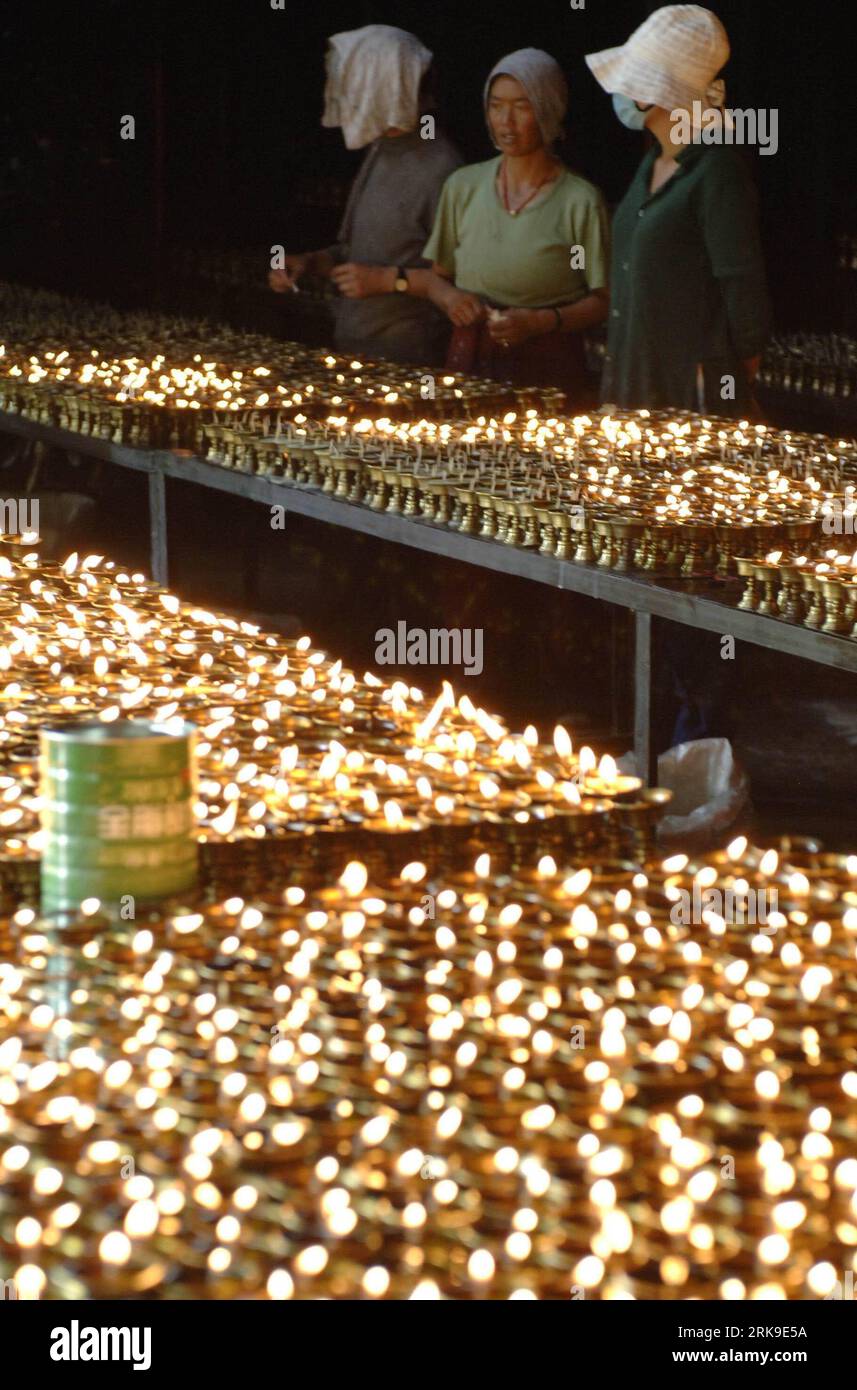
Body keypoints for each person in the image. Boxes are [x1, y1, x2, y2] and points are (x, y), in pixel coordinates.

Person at [585, 4, 772, 417]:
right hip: (632, 380)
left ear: (658, 91)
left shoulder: (716, 169)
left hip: (687, 390)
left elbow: (741, 282)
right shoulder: (651, 166)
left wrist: (727, 376)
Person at [411, 48, 609, 408]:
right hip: (471, 356)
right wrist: (452, 299)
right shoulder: (463, 187)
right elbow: (436, 278)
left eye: (522, 106)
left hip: (549, 363)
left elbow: (601, 301)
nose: (506, 122)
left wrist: (540, 321)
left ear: (548, 110)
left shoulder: (579, 201)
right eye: (497, 106)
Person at [269, 24, 461, 366]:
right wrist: (311, 263)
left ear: (386, 88)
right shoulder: (382, 150)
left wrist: (387, 282)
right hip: (358, 347)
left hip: (410, 360)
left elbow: (457, 285)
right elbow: (354, 253)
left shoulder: (441, 169)